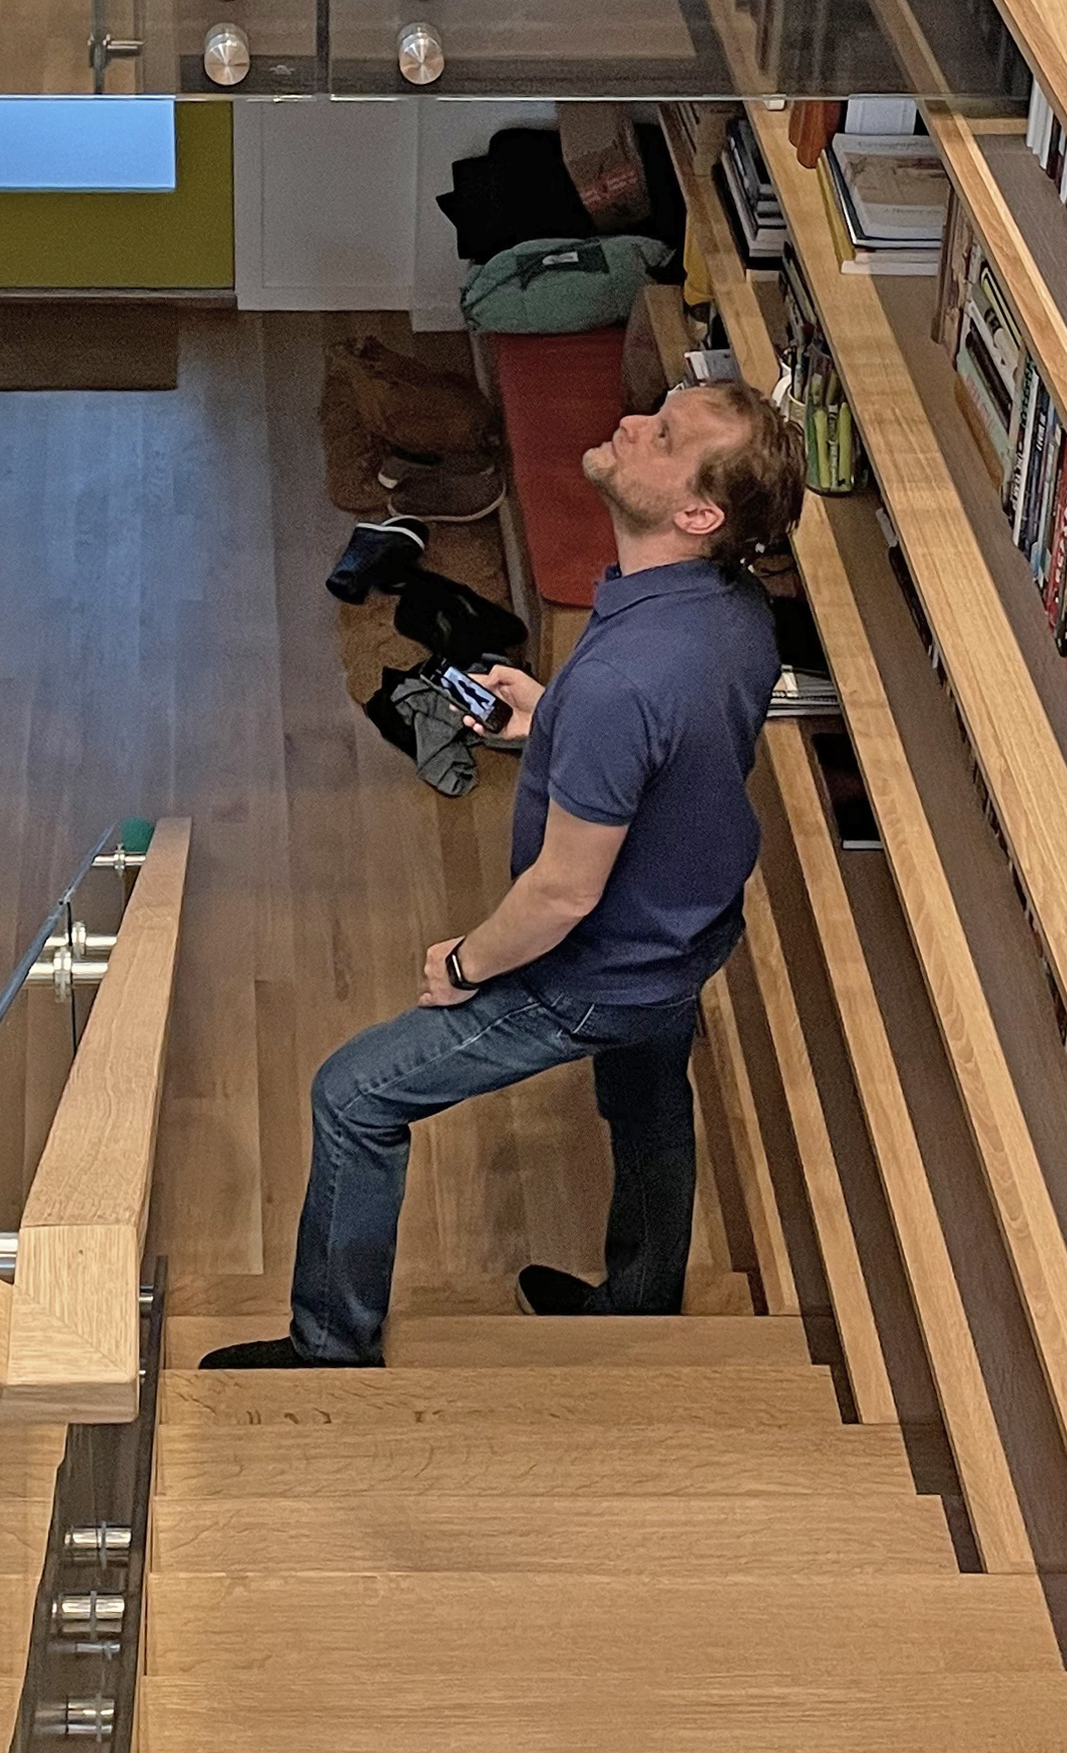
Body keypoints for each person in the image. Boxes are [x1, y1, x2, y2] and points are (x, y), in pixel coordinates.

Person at [202, 375, 807, 1367]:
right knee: (649, 1101)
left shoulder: (623, 679)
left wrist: (466, 966)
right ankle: (638, 1308)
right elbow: (673, 743)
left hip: (593, 969)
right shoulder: (732, 611)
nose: (626, 422)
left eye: (659, 436)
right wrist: (550, 715)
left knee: (352, 1097)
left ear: (698, 512)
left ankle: (327, 1350)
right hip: (689, 935)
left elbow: (564, 893)